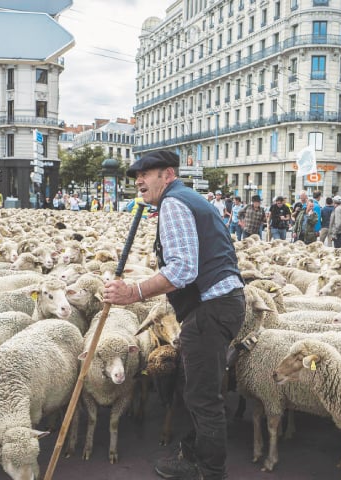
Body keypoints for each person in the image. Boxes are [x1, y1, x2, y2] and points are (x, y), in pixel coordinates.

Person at [103, 150, 244, 480]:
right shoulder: (187, 199)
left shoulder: (174, 204)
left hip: (211, 307)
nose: (138, 180)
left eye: (146, 173)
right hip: (217, 304)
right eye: (136, 176)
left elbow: (183, 269)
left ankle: (209, 470)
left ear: (167, 175)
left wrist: (134, 292)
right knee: (195, 388)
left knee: (203, 395)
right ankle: (194, 452)